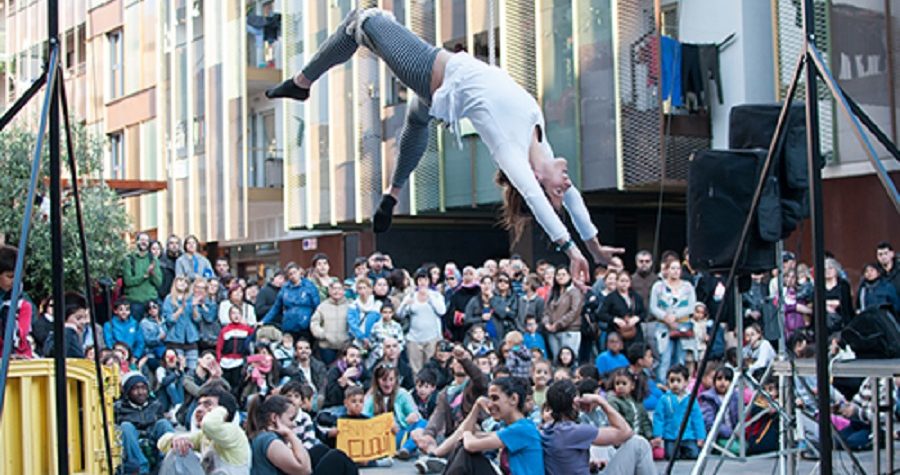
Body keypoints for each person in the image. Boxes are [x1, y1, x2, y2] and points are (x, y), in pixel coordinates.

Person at [267, 7, 622, 281]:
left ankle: (301, 82)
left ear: (538, 180)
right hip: (445, 87)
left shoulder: (513, 153)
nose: (568, 185)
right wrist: (595, 248)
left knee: (365, 20)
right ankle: (393, 192)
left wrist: (570, 250)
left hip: (432, 72)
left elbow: (536, 200)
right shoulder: (541, 147)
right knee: (417, 120)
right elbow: (572, 201)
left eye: (558, 192)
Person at [541, 379, 655, 475]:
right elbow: (626, 432)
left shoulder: (548, 429)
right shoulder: (574, 431)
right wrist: (601, 401)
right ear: (574, 402)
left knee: (601, 447)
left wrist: (589, 467)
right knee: (638, 443)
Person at [440, 377, 543, 475]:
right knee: (461, 447)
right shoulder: (512, 428)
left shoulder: (523, 429)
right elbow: (465, 436)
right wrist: (477, 406)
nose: (489, 404)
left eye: (495, 398)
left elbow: (470, 445)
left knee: (466, 455)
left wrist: (467, 434)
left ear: (513, 399)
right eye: (489, 399)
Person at [411, 346, 489, 473]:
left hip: (471, 435)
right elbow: (437, 417)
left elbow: (481, 381)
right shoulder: (446, 392)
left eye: (464, 361)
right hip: (450, 437)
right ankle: (435, 460)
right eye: (457, 361)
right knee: (418, 433)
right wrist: (428, 435)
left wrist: (464, 359)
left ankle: (434, 458)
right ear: (451, 365)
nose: (460, 364)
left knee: (469, 430)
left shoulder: (474, 386)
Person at [245, 394, 358, 475]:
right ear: (274, 418)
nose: (294, 424)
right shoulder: (268, 440)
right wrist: (291, 435)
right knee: (338, 458)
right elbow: (304, 470)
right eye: (291, 419)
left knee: (319, 450)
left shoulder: (266, 436)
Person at [157, 386, 249, 475]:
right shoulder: (203, 436)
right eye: (199, 404)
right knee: (178, 450)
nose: (199, 409)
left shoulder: (234, 433)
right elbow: (162, 444)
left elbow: (210, 425)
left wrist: (223, 410)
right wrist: (176, 440)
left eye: (207, 405)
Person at [115, 372, 175, 474]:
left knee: (163, 424)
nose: (140, 392)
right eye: (135, 389)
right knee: (126, 427)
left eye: (143, 388)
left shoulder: (155, 405)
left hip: (151, 436)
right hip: (132, 442)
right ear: (127, 392)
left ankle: (169, 463)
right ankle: (141, 468)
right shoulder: (119, 408)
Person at [363, 363, 425, 460]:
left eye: (391, 379)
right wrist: (384, 426)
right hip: (382, 437)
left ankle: (406, 449)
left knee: (423, 423)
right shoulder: (371, 399)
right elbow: (364, 420)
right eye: (384, 380)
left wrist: (413, 416)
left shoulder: (403, 394)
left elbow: (416, 414)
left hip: (402, 433)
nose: (388, 384)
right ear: (377, 381)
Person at [649, 259, 697, 382]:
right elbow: (653, 307)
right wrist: (666, 317)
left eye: (678, 268)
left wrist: (675, 316)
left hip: (682, 325)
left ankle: (679, 384)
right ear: (667, 270)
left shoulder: (687, 287)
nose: (675, 271)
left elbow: (691, 306)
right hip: (663, 325)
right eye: (672, 268)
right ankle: (662, 384)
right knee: (664, 358)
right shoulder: (658, 286)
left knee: (680, 358)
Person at [652, 364, 706, 460]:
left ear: (686, 382)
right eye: (672, 381)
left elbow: (697, 418)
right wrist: (658, 435)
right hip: (671, 436)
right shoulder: (664, 399)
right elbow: (659, 418)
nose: (675, 384)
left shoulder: (691, 399)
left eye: (678, 380)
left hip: (688, 435)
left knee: (693, 454)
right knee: (671, 456)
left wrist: (700, 437)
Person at [398, 268, 447, 374]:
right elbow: (400, 314)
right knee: (415, 369)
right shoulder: (411, 296)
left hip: (432, 338)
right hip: (414, 339)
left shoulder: (436, 295)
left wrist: (429, 297)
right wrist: (405, 304)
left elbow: (442, 311)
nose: (422, 282)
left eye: (425, 279)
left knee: (430, 369)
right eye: (420, 280)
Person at [261, 263, 321, 341]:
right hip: (289, 325)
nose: (293, 275)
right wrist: (264, 321)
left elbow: (317, 306)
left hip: (306, 325)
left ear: (299, 272)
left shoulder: (310, 286)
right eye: (290, 274)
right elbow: (276, 308)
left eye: (294, 272)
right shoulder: (284, 288)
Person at [543, 267, 585, 360]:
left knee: (569, 359)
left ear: (569, 276)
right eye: (558, 275)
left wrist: (558, 324)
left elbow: (574, 311)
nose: (560, 277)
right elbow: (546, 310)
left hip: (569, 331)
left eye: (563, 274)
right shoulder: (553, 292)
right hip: (552, 332)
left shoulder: (575, 292)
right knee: (556, 359)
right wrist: (546, 323)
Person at [598, 270, 646, 351]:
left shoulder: (636, 297)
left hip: (634, 332)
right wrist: (615, 319)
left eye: (626, 281)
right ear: (617, 282)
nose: (624, 283)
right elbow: (601, 314)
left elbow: (644, 312)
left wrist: (637, 318)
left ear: (630, 283)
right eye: (622, 281)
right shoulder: (610, 298)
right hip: (617, 332)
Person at [122, 232, 164, 323]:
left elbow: (159, 282)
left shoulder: (153, 259)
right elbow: (128, 281)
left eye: (146, 240)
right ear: (137, 242)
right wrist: (144, 276)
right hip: (135, 302)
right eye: (141, 240)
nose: (144, 242)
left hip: (151, 302)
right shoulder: (129, 259)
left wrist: (152, 273)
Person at [0, 244, 33, 359]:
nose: (14, 282)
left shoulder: (22, 306)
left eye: (18, 277)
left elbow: (20, 336)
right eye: (10, 276)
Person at [310, 281, 351, 365]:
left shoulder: (350, 306)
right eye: (334, 289)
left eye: (339, 289)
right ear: (329, 291)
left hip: (345, 346)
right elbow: (314, 322)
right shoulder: (322, 306)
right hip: (327, 346)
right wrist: (322, 334)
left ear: (343, 291)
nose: (336, 291)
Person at [164, 276, 200, 371]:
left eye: (185, 281)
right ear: (175, 283)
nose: (183, 283)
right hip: (175, 339)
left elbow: (197, 320)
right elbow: (169, 320)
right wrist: (180, 309)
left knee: (192, 369)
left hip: (191, 338)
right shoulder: (169, 299)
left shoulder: (191, 298)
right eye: (180, 280)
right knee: (177, 368)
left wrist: (194, 307)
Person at [217, 306, 254, 397]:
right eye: (233, 313)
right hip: (225, 362)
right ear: (229, 316)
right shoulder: (225, 330)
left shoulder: (246, 329)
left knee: (237, 385)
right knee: (225, 384)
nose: (236, 316)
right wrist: (218, 361)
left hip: (239, 361)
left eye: (238, 313)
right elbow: (219, 347)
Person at [606, 368, 653, 439]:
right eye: (617, 383)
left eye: (624, 383)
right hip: (622, 439)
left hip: (639, 438)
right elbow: (616, 422)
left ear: (632, 386)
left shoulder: (637, 402)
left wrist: (650, 436)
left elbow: (644, 421)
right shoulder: (613, 401)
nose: (620, 386)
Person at [698, 366, 739, 444]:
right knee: (737, 450)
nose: (722, 382)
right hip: (716, 437)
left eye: (727, 379)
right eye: (719, 379)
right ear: (714, 381)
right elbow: (709, 423)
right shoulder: (707, 398)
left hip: (734, 435)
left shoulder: (736, 397)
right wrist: (730, 433)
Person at [322, 343, 365, 409]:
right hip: (335, 407)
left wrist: (353, 385)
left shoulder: (361, 369)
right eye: (352, 356)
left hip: (357, 407)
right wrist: (344, 378)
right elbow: (333, 398)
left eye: (358, 356)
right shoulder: (334, 370)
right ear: (344, 357)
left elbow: (369, 385)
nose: (355, 359)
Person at [158, 235, 181, 301]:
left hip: (180, 296)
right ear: (167, 245)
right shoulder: (161, 260)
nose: (174, 245)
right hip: (164, 296)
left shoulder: (183, 259)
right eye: (171, 243)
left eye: (177, 243)